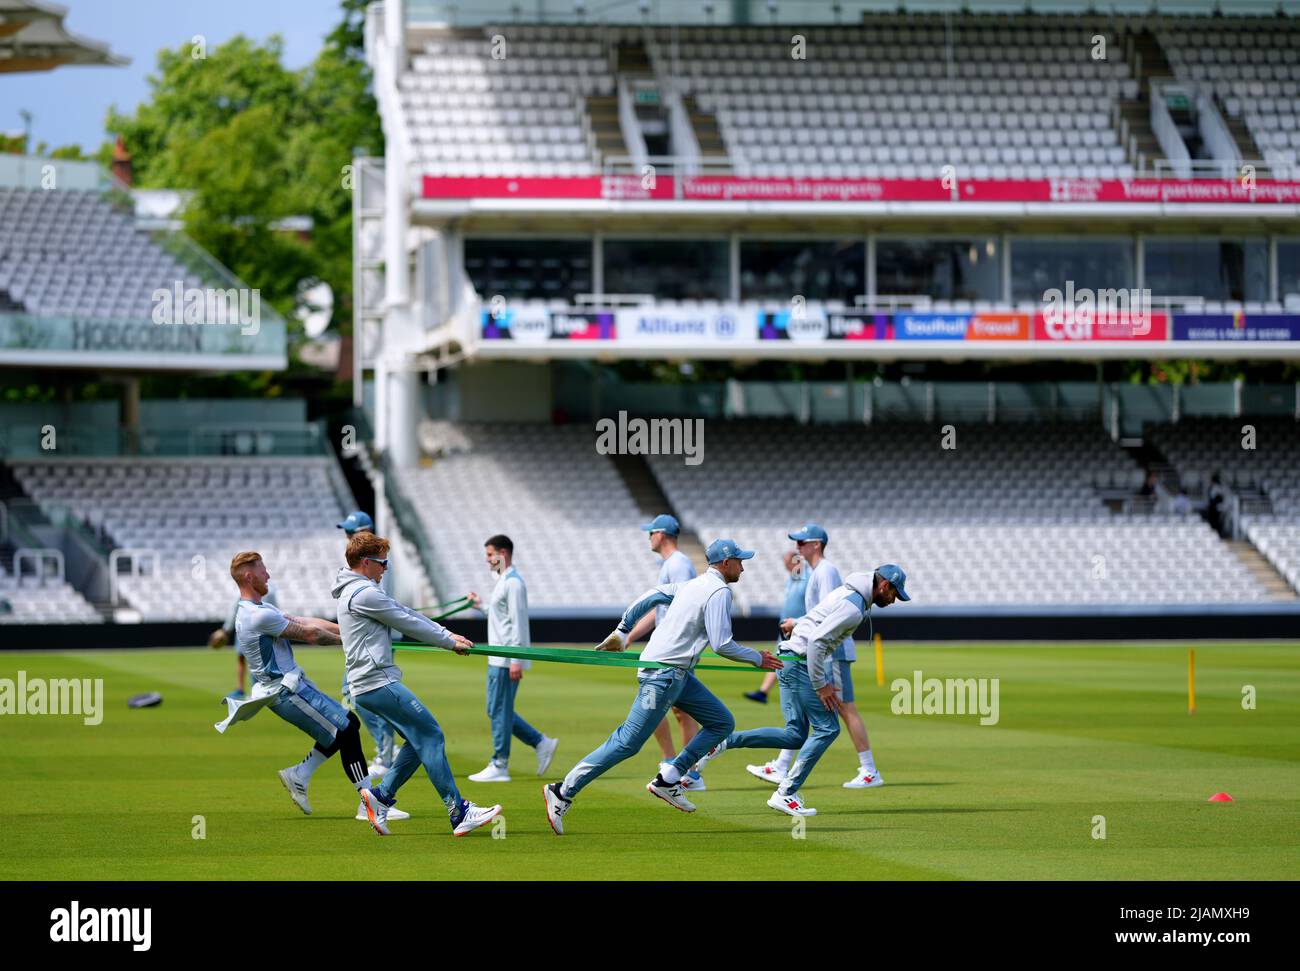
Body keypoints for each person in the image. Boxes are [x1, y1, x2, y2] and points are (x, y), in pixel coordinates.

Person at [542, 539, 783, 836]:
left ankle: (669, 777)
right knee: (627, 742)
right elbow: (721, 644)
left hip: (675, 674)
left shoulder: (691, 585)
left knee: (722, 722)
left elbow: (652, 595)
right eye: (740, 562)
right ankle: (562, 790)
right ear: (725, 563)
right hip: (664, 675)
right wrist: (757, 658)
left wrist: (623, 629)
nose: (743, 567)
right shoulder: (720, 591)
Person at [693, 566, 909, 817]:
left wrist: (796, 624)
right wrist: (822, 685)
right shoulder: (853, 607)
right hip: (798, 664)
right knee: (828, 728)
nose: (894, 600)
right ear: (884, 586)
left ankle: (725, 742)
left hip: (789, 660)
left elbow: (816, 618)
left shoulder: (847, 592)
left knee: (795, 735)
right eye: (895, 593)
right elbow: (817, 641)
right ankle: (786, 793)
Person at [333, 532, 501, 837]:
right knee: (431, 734)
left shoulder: (358, 591)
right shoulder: (364, 593)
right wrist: (448, 643)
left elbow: (407, 613)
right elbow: (406, 622)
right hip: (376, 681)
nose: (386, 568)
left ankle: (380, 797)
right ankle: (458, 811)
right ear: (366, 562)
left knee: (419, 739)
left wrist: (448, 634)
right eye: (382, 562)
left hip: (369, 682)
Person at [225, 552, 372, 816]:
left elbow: (304, 621)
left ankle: (300, 775)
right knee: (347, 729)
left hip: (292, 686)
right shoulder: (257, 616)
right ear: (249, 576)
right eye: (262, 571)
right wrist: (349, 641)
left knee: (346, 726)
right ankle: (370, 803)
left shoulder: (260, 609)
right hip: (286, 692)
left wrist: (349, 627)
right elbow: (310, 634)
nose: (267, 575)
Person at [747, 524, 883, 789]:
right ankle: (782, 765)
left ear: (816, 544)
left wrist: (798, 623)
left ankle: (869, 770)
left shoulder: (826, 571)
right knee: (814, 703)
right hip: (821, 647)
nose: (797, 547)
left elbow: (833, 614)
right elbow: (822, 612)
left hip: (833, 651)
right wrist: (798, 622)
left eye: (801, 542)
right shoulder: (813, 571)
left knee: (844, 707)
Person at [465, 534, 559, 782]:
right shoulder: (504, 580)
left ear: (502, 554)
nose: (487, 560)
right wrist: (481, 606)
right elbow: (501, 616)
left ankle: (500, 763)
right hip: (499, 657)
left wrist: (516, 659)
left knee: (498, 710)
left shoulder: (514, 583)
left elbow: (518, 622)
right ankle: (540, 742)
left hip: (506, 658)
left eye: (489, 555)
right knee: (497, 709)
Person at [623, 514, 707, 791]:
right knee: (667, 709)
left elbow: (682, 609)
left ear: (662, 534)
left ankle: (687, 771)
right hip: (666, 648)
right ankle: (674, 763)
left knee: (678, 711)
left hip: (674, 650)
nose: (648, 537)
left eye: (651, 533)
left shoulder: (679, 564)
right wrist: (630, 636)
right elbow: (660, 611)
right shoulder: (671, 564)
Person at [744, 549, 807, 704]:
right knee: (779, 656)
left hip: (798, 627)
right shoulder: (793, 579)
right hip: (787, 626)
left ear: (796, 561)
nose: (785, 566)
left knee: (786, 658)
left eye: (787, 562)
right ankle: (764, 691)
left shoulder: (808, 578)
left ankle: (766, 691)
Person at [209, 580, 278, 699]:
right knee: (258, 659)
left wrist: (226, 629)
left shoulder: (245, 590)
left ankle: (249, 689)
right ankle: (257, 689)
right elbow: (274, 608)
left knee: (246, 659)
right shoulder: (270, 589)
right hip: (263, 628)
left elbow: (234, 609)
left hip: (246, 627)